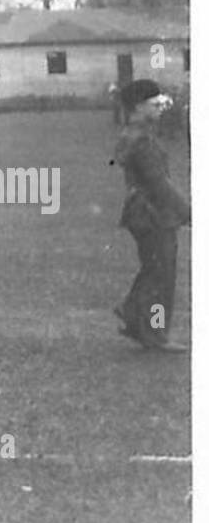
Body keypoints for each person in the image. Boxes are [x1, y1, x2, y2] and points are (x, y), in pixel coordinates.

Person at [112, 79, 190, 352]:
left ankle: (136, 317)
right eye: (154, 104)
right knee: (162, 275)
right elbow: (159, 184)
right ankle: (154, 332)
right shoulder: (141, 139)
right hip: (153, 214)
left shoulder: (135, 133)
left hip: (145, 213)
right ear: (137, 106)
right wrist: (188, 212)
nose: (160, 108)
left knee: (155, 270)